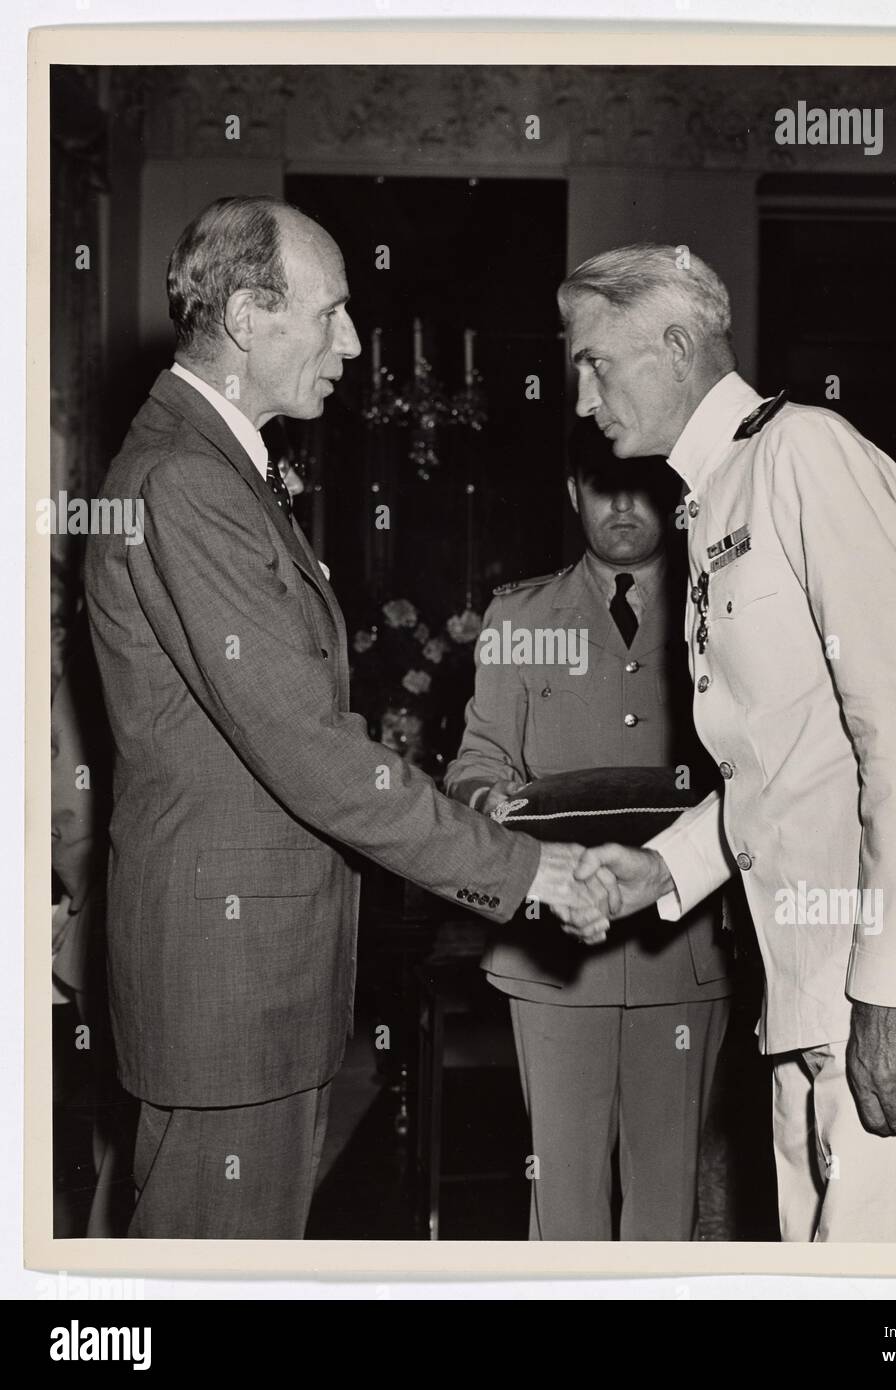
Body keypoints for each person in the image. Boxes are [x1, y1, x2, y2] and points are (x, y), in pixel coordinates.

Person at [83, 195, 613, 1240]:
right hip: (225, 987)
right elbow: (307, 749)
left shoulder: (216, 467)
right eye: (328, 313)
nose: (354, 341)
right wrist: (527, 869)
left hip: (250, 978)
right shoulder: (188, 480)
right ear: (245, 316)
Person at [567, 243, 896, 1243]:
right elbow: (788, 761)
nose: (581, 397)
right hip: (808, 984)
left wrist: (891, 994)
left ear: (675, 342)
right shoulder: (712, 494)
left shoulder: (806, 453)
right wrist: (656, 871)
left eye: (596, 362)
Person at [445, 428, 733, 1240]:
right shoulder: (519, 615)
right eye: (601, 486)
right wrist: (488, 801)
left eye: (642, 487)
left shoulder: (718, 604)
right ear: (573, 492)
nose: (621, 506)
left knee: (666, 1197)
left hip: (682, 945)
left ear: (674, 495)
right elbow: (473, 762)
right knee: (561, 1194)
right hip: (552, 951)